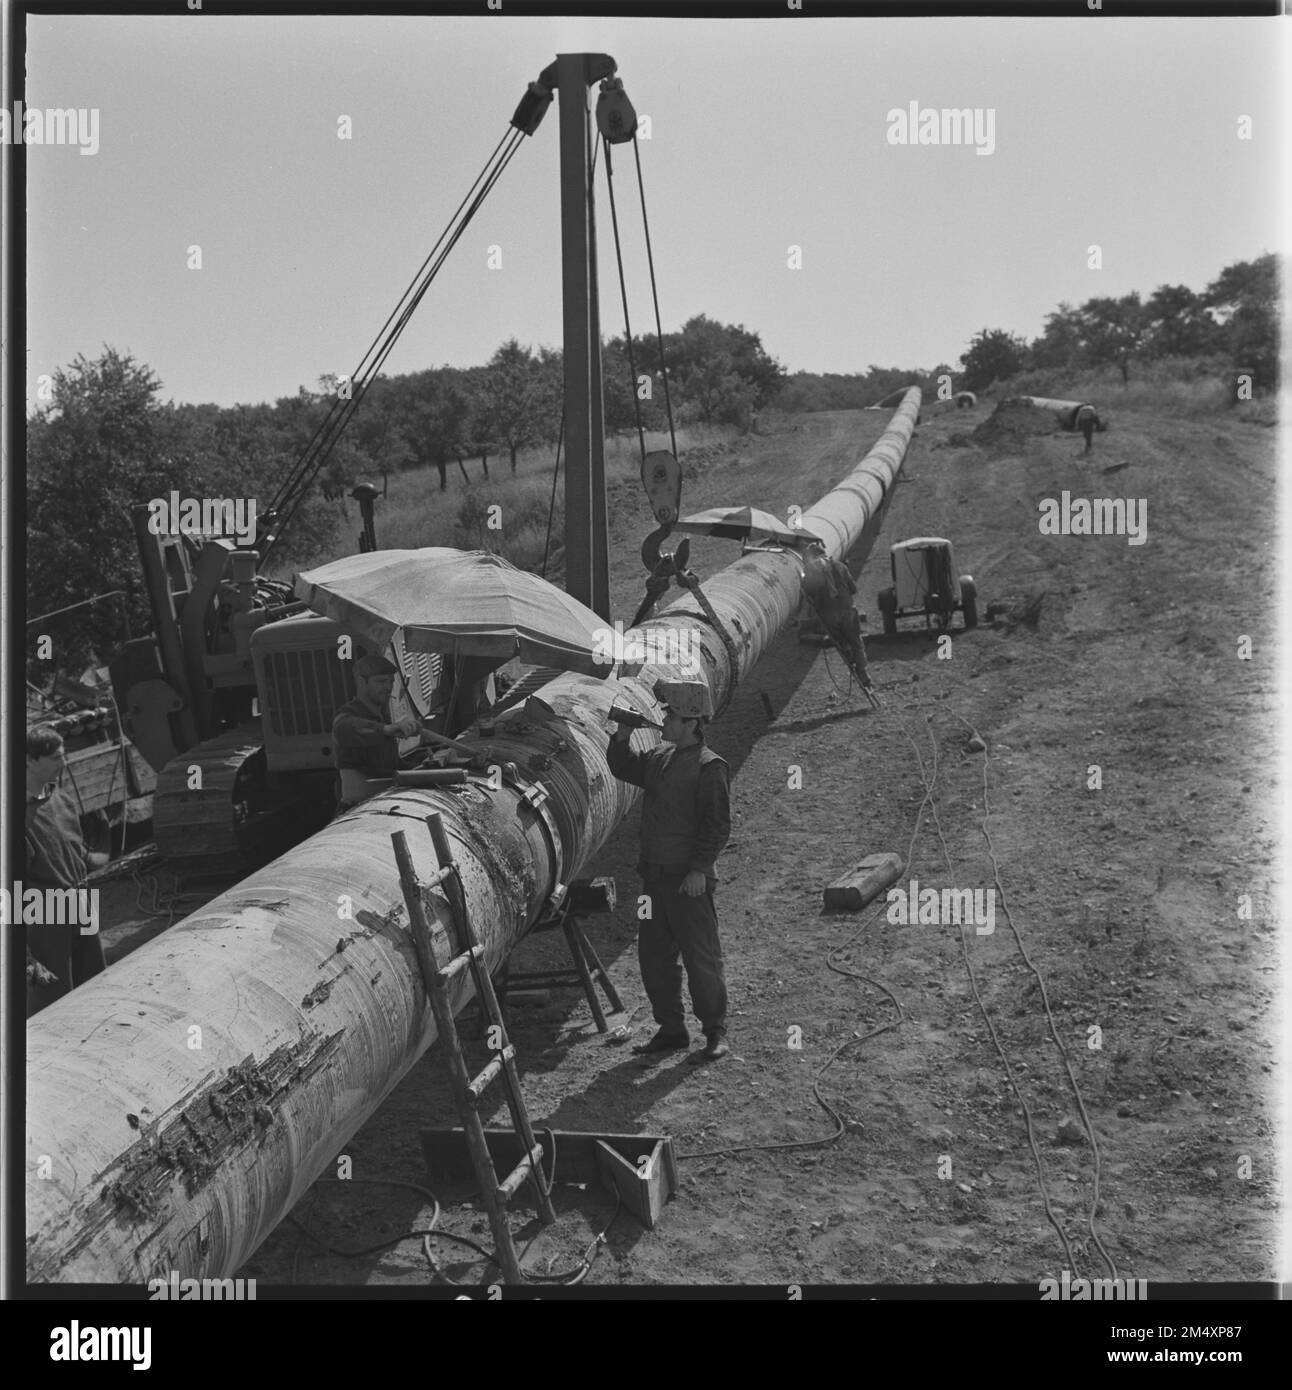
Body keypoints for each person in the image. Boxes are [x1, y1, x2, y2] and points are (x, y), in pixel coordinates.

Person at [606, 677, 732, 1064]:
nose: (665, 721)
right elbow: (622, 767)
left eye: (671, 715)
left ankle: (714, 1032)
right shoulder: (661, 758)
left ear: (692, 722)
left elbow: (717, 825)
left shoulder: (710, 768)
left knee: (700, 957)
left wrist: (699, 869)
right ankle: (672, 1030)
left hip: (687, 881)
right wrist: (621, 736)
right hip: (654, 879)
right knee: (654, 956)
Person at [24, 724, 106, 1016]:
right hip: (45, 911)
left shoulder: (61, 798)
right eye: (56, 758)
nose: (64, 763)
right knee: (54, 998)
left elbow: (72, 846)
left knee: (95, 980)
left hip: (80, 897)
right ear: (29, 761)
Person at [331, 654, 435, 813]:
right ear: (361, 682)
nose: (388, 687)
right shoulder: (348, 715)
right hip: (357, 808)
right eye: (380, 682)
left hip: (384, 802)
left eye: (391, 682)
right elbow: (343, 728)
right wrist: (386, 729)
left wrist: (422, 762)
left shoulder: (381, 716)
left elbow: (389, 768)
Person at [798, 541, 876, 698]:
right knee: (857, 643)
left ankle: (848, 654)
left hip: (828, 614)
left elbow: (808, 593)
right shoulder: (840, 566)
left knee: (842, 642)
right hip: (847, 610)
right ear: (823, 553)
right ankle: (864, 676)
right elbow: (853, 589)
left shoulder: (810, 570)